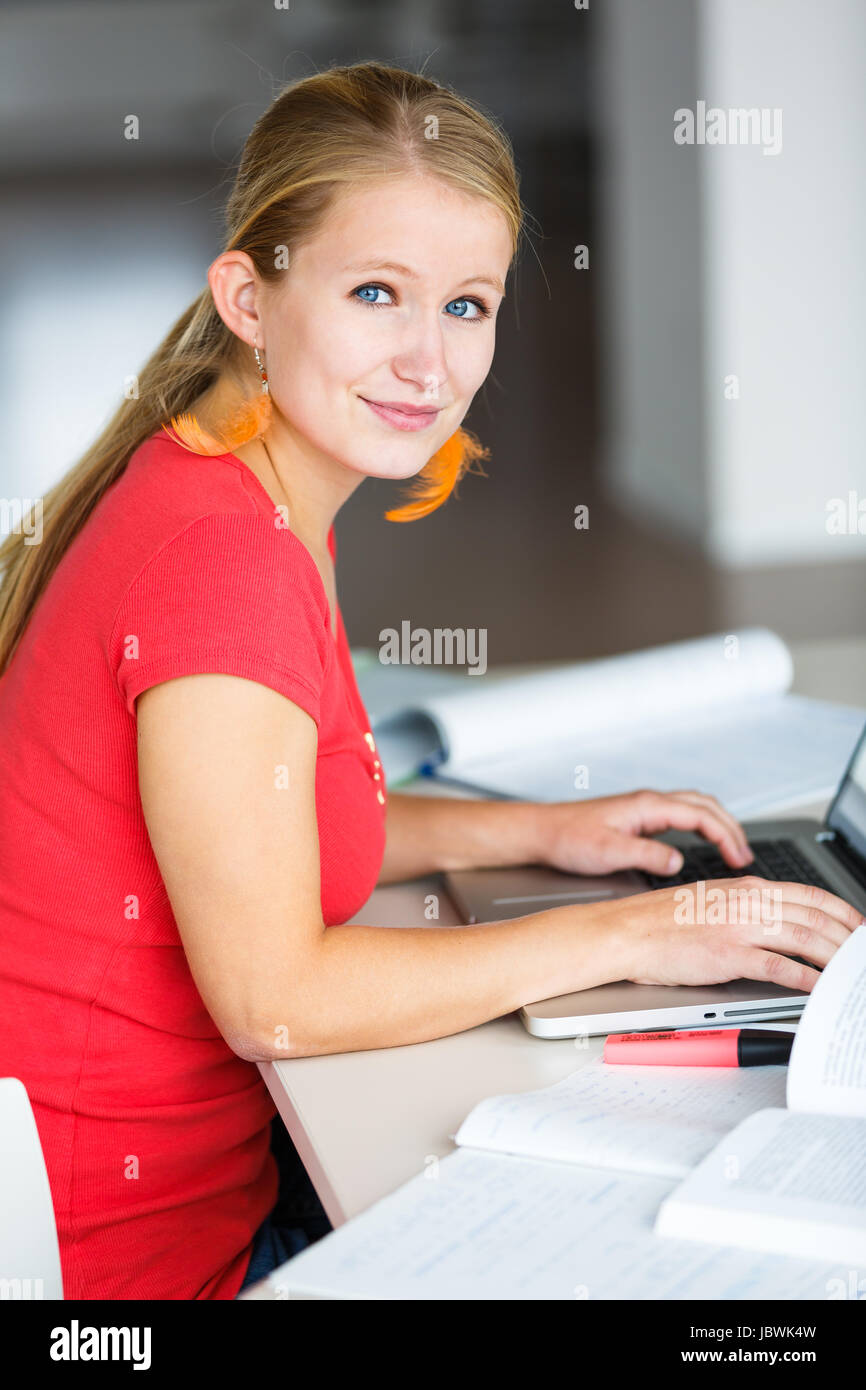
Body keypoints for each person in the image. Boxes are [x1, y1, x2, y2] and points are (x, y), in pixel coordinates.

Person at [0, 61, 859, 1303]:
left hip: (194, 1194)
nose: (425, 360)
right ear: (248, 294)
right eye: (372, 293)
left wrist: (542, 832)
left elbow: (263, 816)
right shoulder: (221, 562)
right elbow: (275, 1000)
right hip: (134, 1267)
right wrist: (629, 932)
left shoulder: (245, 474)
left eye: (467, 304)